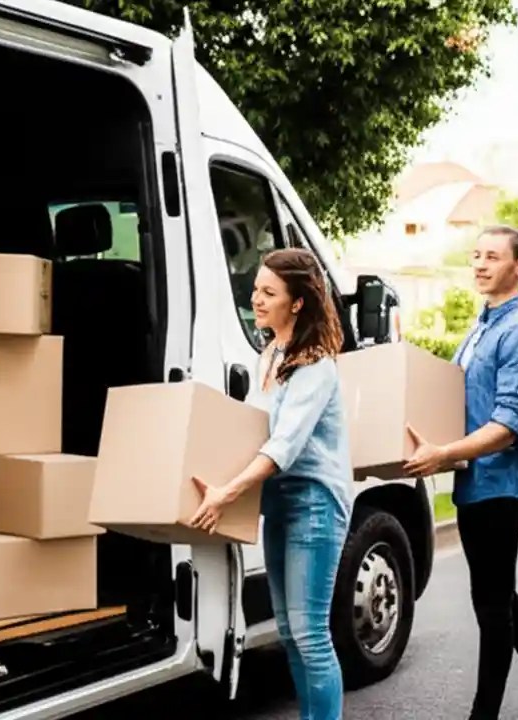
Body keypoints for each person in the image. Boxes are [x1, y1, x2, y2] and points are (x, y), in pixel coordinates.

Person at [403, 226, 518, 720]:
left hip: (502, 485)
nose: (479, 265)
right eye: (476, 255)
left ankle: (484, 715)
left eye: (493, 257)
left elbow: (507, 426)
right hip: (475, 483)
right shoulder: (483, 325)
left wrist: (444, 453)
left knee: (492, 607)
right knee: (494, 592)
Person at [190, 248, 352, 720]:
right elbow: (253, 430)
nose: (256, 299)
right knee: (288, 631)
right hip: (282, 505)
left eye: (268, 292)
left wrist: (228, 494)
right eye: (256, 289)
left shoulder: (315, 366)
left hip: (315, 505)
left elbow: (282, 446)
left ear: (297, 302)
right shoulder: (272, 353)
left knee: (311, 634)